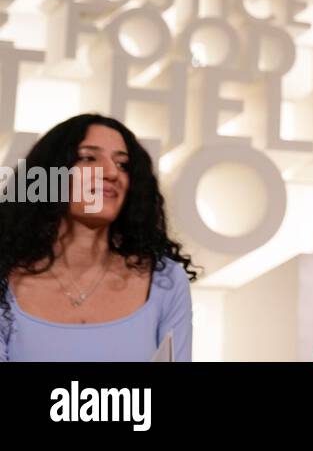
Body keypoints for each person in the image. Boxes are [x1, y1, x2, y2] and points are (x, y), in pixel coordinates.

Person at [0, 114, 196, 361]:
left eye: (123, 164)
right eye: (88, 158)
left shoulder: (165, 281)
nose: (112, 172)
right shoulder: (5, 279)